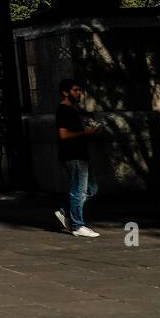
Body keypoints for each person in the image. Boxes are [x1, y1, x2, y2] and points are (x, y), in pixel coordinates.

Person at [54, 77, 101, 238]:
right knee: (79, 190)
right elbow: (63, 135)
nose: (79, 93)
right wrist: (85, 133)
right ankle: (77, 225)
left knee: (91, 188)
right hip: (73, 156)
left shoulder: (73, 111)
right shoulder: (63, 110)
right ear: (65, 92)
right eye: (75, 90)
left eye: (80, 90)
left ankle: (64, 211)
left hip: (81, 155)